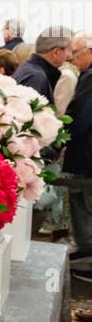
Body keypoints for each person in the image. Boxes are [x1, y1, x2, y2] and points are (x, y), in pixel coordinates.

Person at [63, 36, 92, 263]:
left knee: (84, 202)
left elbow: (81, 117)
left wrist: (63, 136)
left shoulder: (90, 77)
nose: (72, 57)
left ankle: (87, 249)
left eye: (76, 52)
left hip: (86, 156)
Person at [13, 28, 73, 103]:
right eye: (69, 50)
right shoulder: (35, 77)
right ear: (56, 52)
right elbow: (29, 112)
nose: (71, 55)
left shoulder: (30, 69)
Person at [54, 32, 92, 116]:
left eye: (74, 52)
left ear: (90, 51)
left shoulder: (89, 77)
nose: (70, 57)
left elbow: (81, 117)